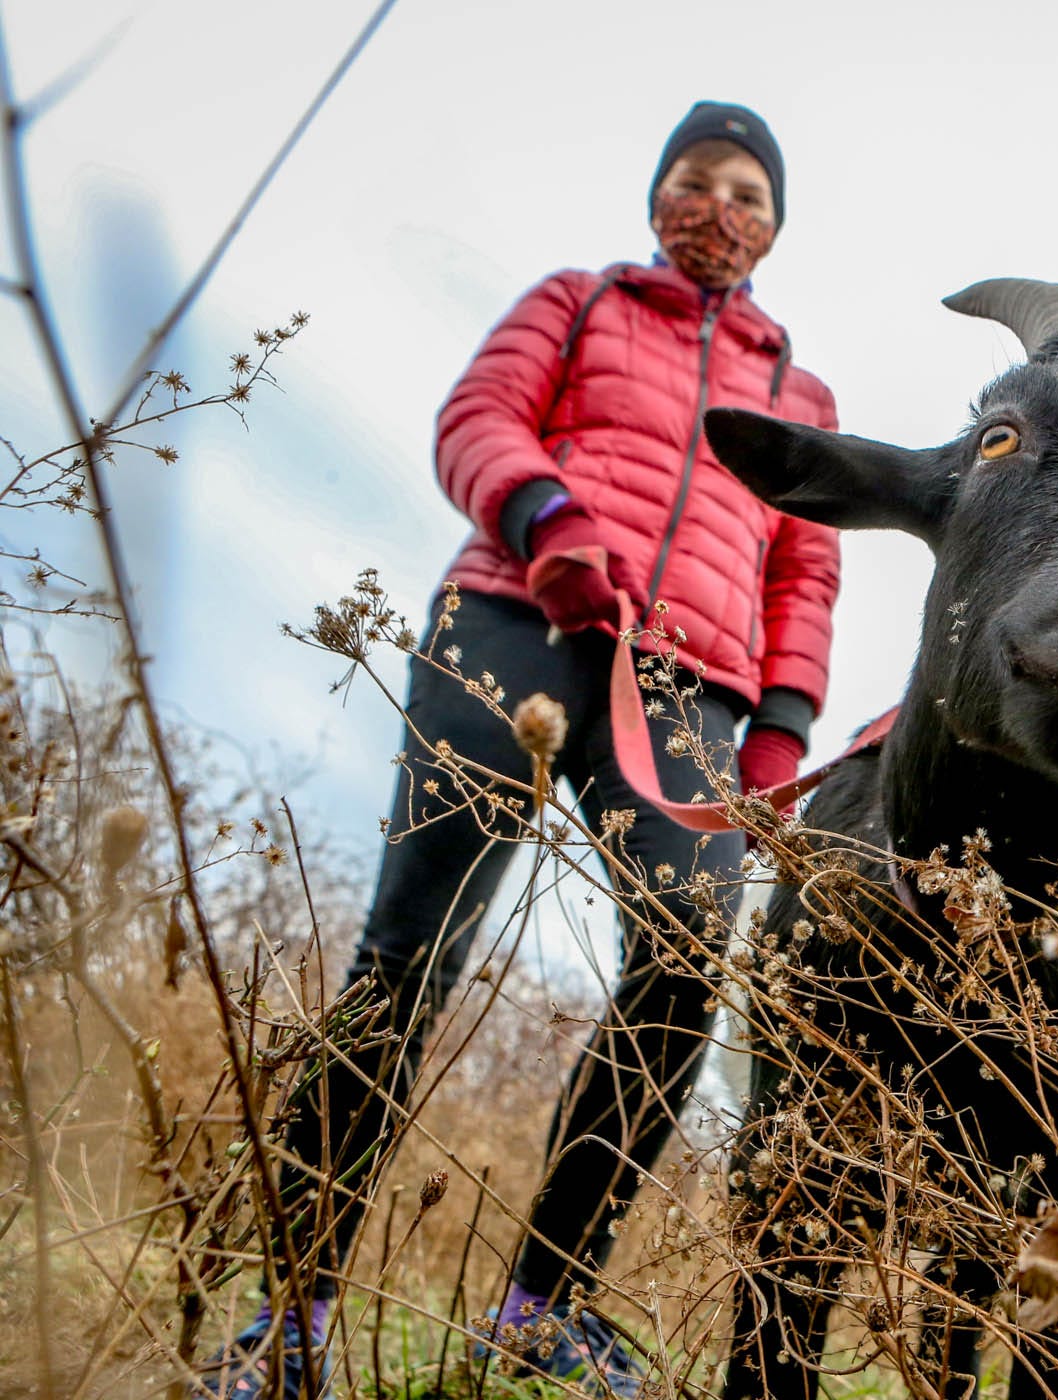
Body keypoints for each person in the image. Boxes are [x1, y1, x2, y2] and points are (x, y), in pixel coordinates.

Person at [195, 101, 841, 1399]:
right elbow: (479, 416)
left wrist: (781, 727)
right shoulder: (580, 300)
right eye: (694, 182)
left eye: (747, 195)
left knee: (680, 979)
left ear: (777, 228)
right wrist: (543, 514)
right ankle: (295, 1314)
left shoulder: (801, 392)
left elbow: (805, 570)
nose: (717, 209)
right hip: (517, 618)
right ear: (657, 195)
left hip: (689, 697)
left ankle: (544, 1305)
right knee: (407, 954)